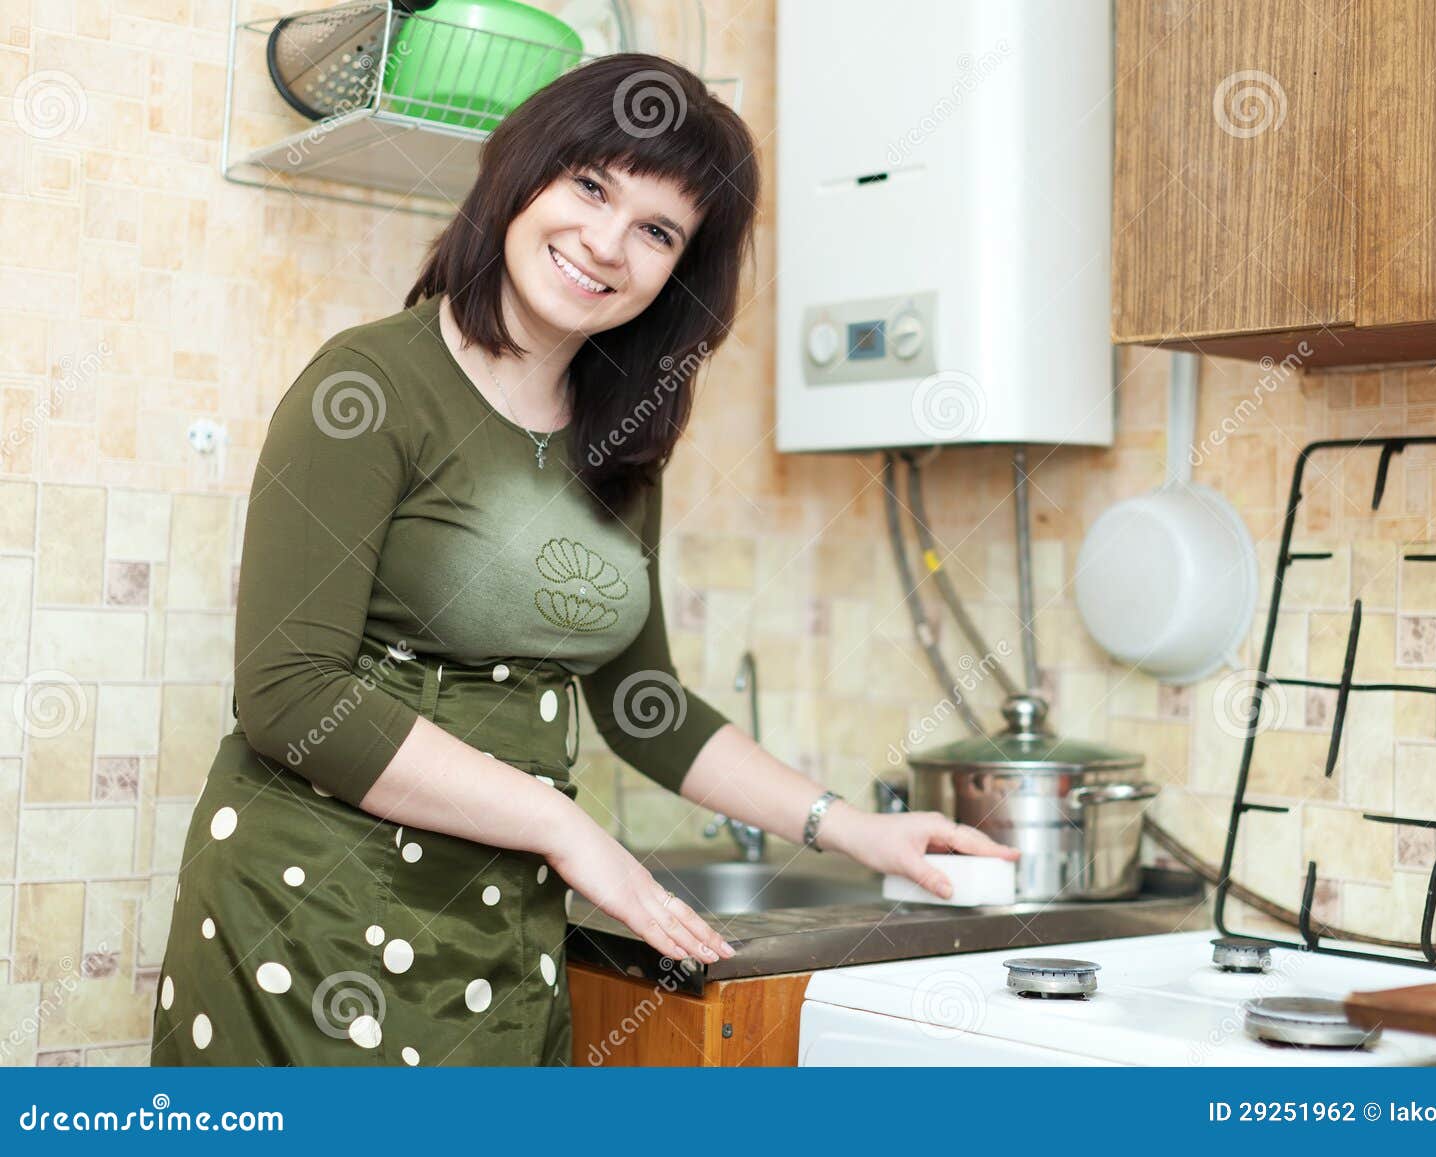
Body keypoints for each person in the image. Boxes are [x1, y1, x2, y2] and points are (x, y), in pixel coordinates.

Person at [150, 53, 1018, 1067]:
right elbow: (290, 693)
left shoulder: (625, 442)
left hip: (497, 925)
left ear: (679, 274)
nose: (606, 243)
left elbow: (643, 701)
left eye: (657, 230)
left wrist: (858, 829)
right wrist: (567, 830)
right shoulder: (371, 382)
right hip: (308, 911)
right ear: (522, 175)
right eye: (591, 185)